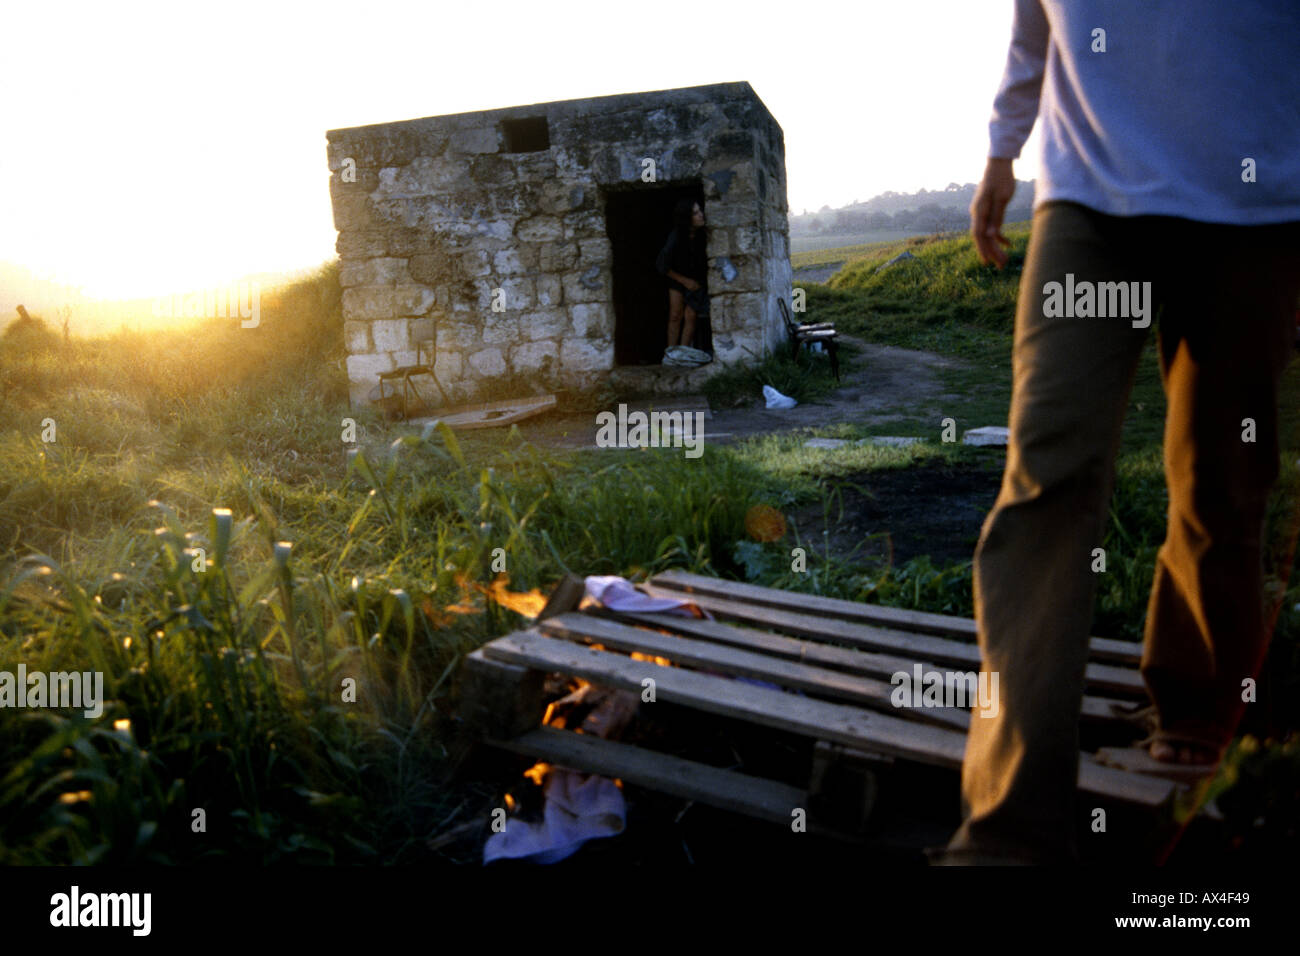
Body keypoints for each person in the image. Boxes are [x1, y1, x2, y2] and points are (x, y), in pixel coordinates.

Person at [938, 1, 1300, 864]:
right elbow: (1036, 22)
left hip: (1254, 195)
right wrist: (1002, 147)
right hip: (1089, 191)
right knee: (1047, 476)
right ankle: (1010, 826)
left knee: (1223, 478)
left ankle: (1199, 704)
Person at [656, 199, 710, 357]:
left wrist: (695, 283)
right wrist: (684, 281)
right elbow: (662, 265)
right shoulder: (676, 237)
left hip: (698, 280)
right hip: (677, 277)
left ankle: (682, 354)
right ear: (687, 218)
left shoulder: (704, 234)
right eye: (695, 213)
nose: (701, 215)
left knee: (691, 316)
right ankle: (671, 354)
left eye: (700, 211)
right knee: (675, 315)